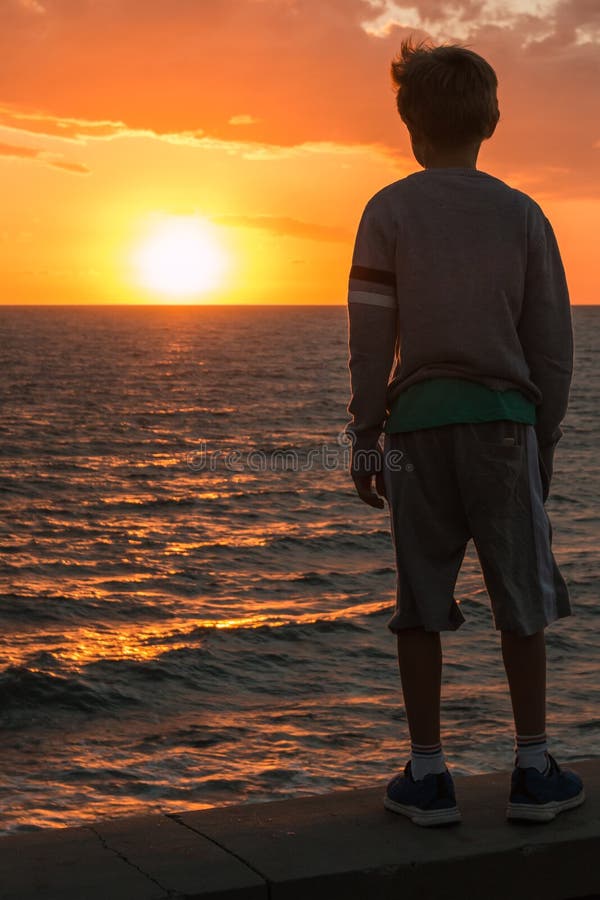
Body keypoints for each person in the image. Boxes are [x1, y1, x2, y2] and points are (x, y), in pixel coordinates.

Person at [345, 35, 585, 827]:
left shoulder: (387, 210)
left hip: (416, 432)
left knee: (420, 601)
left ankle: (427, 775)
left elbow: (370, 337)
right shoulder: (524, 216)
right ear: (492, 122)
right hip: (504, 429)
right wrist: (543, 439)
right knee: (521, 597)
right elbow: (552, 346)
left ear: (411, 127)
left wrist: (366, 432)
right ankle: (532, 767)